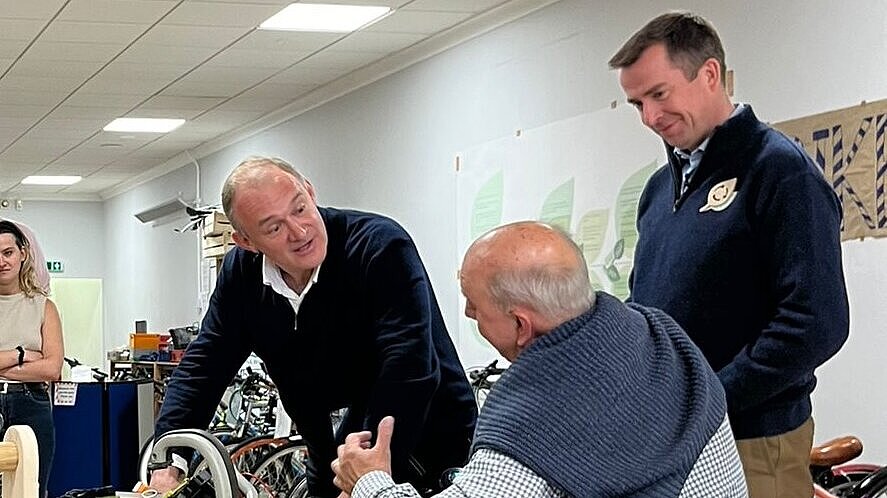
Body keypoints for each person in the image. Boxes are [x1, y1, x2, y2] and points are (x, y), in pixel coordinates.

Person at [609, 12, 849, 497]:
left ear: (710, 74)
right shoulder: (659, 189)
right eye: (637, 103)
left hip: (754, 439)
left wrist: (712, 396)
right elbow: (647, 311)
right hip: (678, 438)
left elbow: (816, 322)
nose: (650, 118)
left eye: (659, 94)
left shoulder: (780, 172)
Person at [332, 221, 747, 497]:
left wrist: (370, 481)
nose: (468, 314)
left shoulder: (530, 429)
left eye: (474, 305)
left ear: (521, 325)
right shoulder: (662, 338)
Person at [150, 156, 477, 497]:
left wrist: (367, 479)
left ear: (309, 190)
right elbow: (204, 366)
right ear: (246, 242)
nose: (300, 232)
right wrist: (170, 459)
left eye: (300, 208)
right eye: (274, 227)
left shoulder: (379, 247)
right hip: (330, 441)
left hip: (424, 429)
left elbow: (407, 368)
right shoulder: (241, 277)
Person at [0, 220, 64, 497]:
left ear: (23, 253)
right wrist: (23, 354)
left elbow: (52, 368)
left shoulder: (43, 307)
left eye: (7, 252)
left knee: (32, 488)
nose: (1, 261)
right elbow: (41, 363)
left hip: (31, 404)